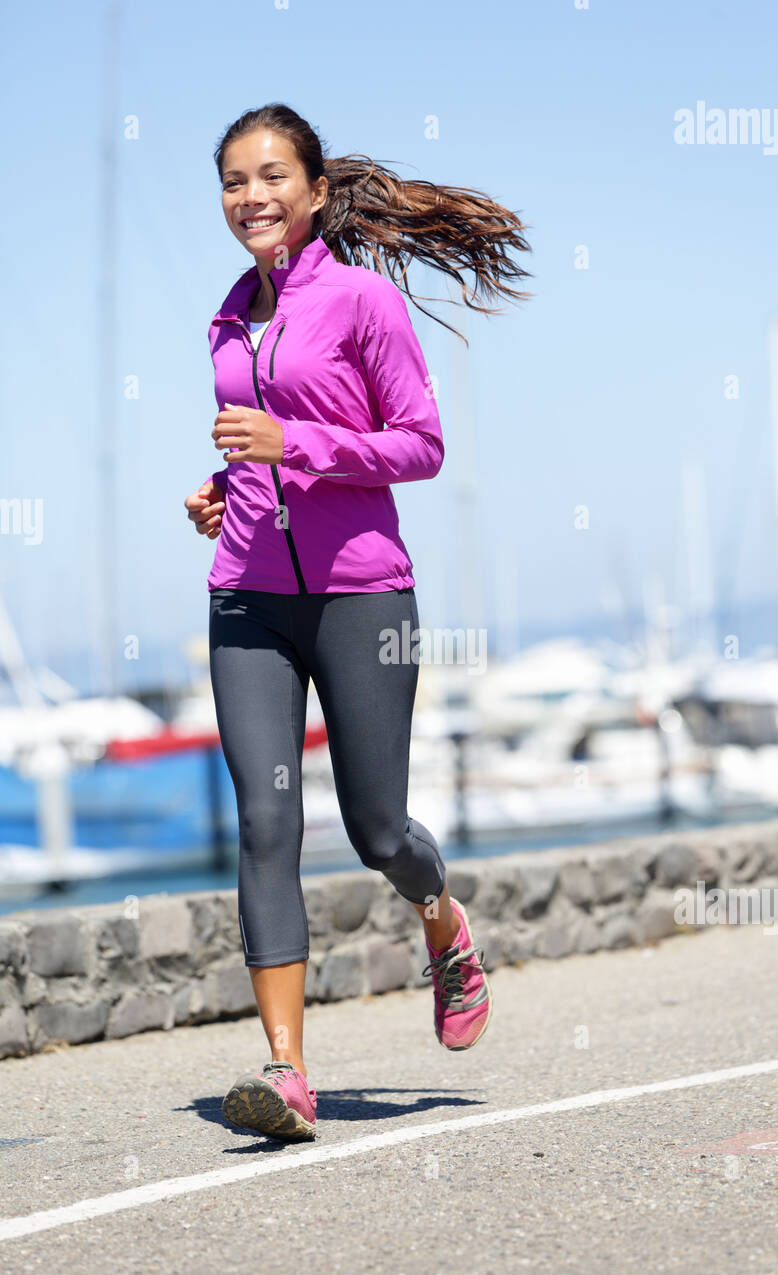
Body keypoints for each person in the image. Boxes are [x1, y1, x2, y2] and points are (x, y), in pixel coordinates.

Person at [184, 103, 532, 1141]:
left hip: (361, 594)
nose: (252, 196)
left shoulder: (362, 304)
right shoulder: (227, 313)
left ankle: (443, 925)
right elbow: (256, 445)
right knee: (263, 823)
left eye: (271, 175)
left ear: (315, 189)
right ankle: (288, 1073)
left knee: (376, 828)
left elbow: (417, 444)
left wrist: (294, 444)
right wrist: (218, 485)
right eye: (235, 180)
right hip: (246, 594)